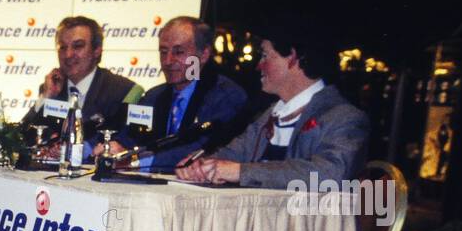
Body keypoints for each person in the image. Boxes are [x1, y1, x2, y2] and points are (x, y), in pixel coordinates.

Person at [176, 21, 369, 189]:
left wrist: (240, 172)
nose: (259, 65)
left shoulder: (344, 117)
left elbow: (330, 173)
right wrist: (203, 165)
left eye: (265, 56)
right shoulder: (271, 113)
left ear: (292, 58)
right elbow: (235, 153)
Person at [98, 16, 248, 171]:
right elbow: (131, 136)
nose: (168, 61)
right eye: (163, 52)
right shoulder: (153, 96)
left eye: (179, 52)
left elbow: (204, 148)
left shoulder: (225, 95)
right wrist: (114, 148)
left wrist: (138, 161)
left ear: (204, 54)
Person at [20, 15, 144, 159]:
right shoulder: (52, 89)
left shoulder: (122, 91)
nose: (68, 54)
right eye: (63, 47)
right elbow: (21, 138)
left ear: (97, 50)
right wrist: (46, 97)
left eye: (77, 46)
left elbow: (128, 143)